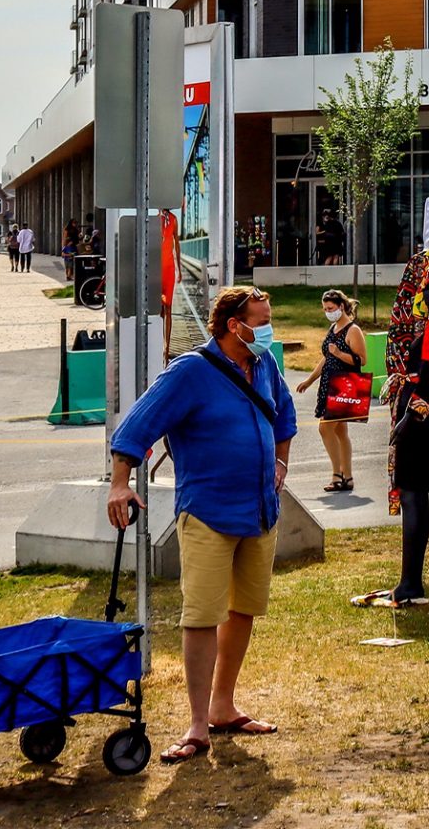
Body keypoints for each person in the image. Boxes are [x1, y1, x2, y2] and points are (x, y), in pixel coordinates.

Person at [107, 285, 296, 762]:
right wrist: (119, 483)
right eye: (261, 319)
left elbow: (285, 418)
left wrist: (281, 464)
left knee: (244, 609)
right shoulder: (191, 371)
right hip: (208, 512)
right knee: (201, 616)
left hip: (260, 511)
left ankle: (223, 705)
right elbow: (137, 425)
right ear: (235, 325)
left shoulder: (265, 364)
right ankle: (196, 726)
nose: (268, 328)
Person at [296, 289, 367, 491]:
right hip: (329, 383)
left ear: (341, 306)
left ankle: (337, 474)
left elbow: (361, 360)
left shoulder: (353, 330)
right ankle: (348, 476)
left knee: (325, 428)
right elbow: (326, 358)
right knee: (340, 432)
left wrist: (339, 352)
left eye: (331, 308)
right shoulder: (333, 327)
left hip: (345, 384)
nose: (328, 311)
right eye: (325, 309)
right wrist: (309, 380)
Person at [160, 208, 182, 365]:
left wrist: (179, 268)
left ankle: (166, 349)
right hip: (157, 268)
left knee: (168, 307)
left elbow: (177, 244)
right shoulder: (154, 218)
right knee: (158, 309)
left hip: (169, 269)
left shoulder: (173, 219)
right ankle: (158, 342)